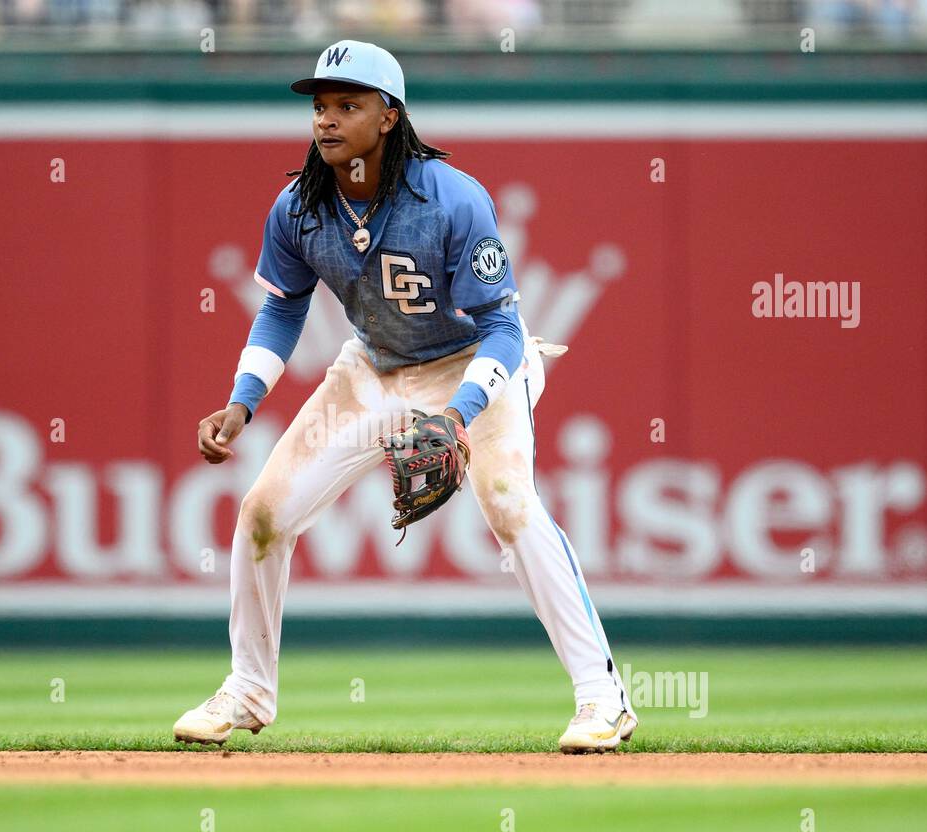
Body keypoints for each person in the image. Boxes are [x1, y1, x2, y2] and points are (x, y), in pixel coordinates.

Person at [175, 40, 637, 754]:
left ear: (389, 116)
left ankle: (602, 700)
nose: (327, 121)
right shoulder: (299, 206)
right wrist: (241, 402)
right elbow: (281, 309)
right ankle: (247, 689)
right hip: (372, 368)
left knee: (512, 505)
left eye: (348, 106)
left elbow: (504, 330)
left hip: (472, 366)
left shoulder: (452, 197)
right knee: (263, 513)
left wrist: (457, 417)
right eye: (320, 107)